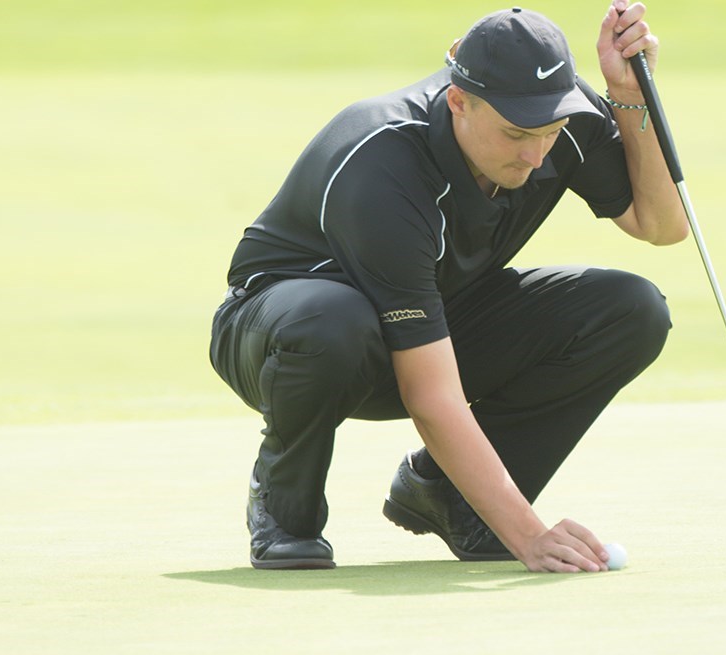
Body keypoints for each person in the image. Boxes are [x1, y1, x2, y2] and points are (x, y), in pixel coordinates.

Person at [209, 0, 688, 573]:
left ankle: (456, 501)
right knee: (334, 319)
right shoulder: (384, 161)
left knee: (630, 309)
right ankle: (285, 510)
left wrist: (630, 93)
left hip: (431, 315)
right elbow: (430, 396)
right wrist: (530, 536)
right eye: (516, 134)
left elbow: (662, 225)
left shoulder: (565, 119)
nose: (536, 155)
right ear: (459, 102)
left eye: (551, 132)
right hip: (285, 334)